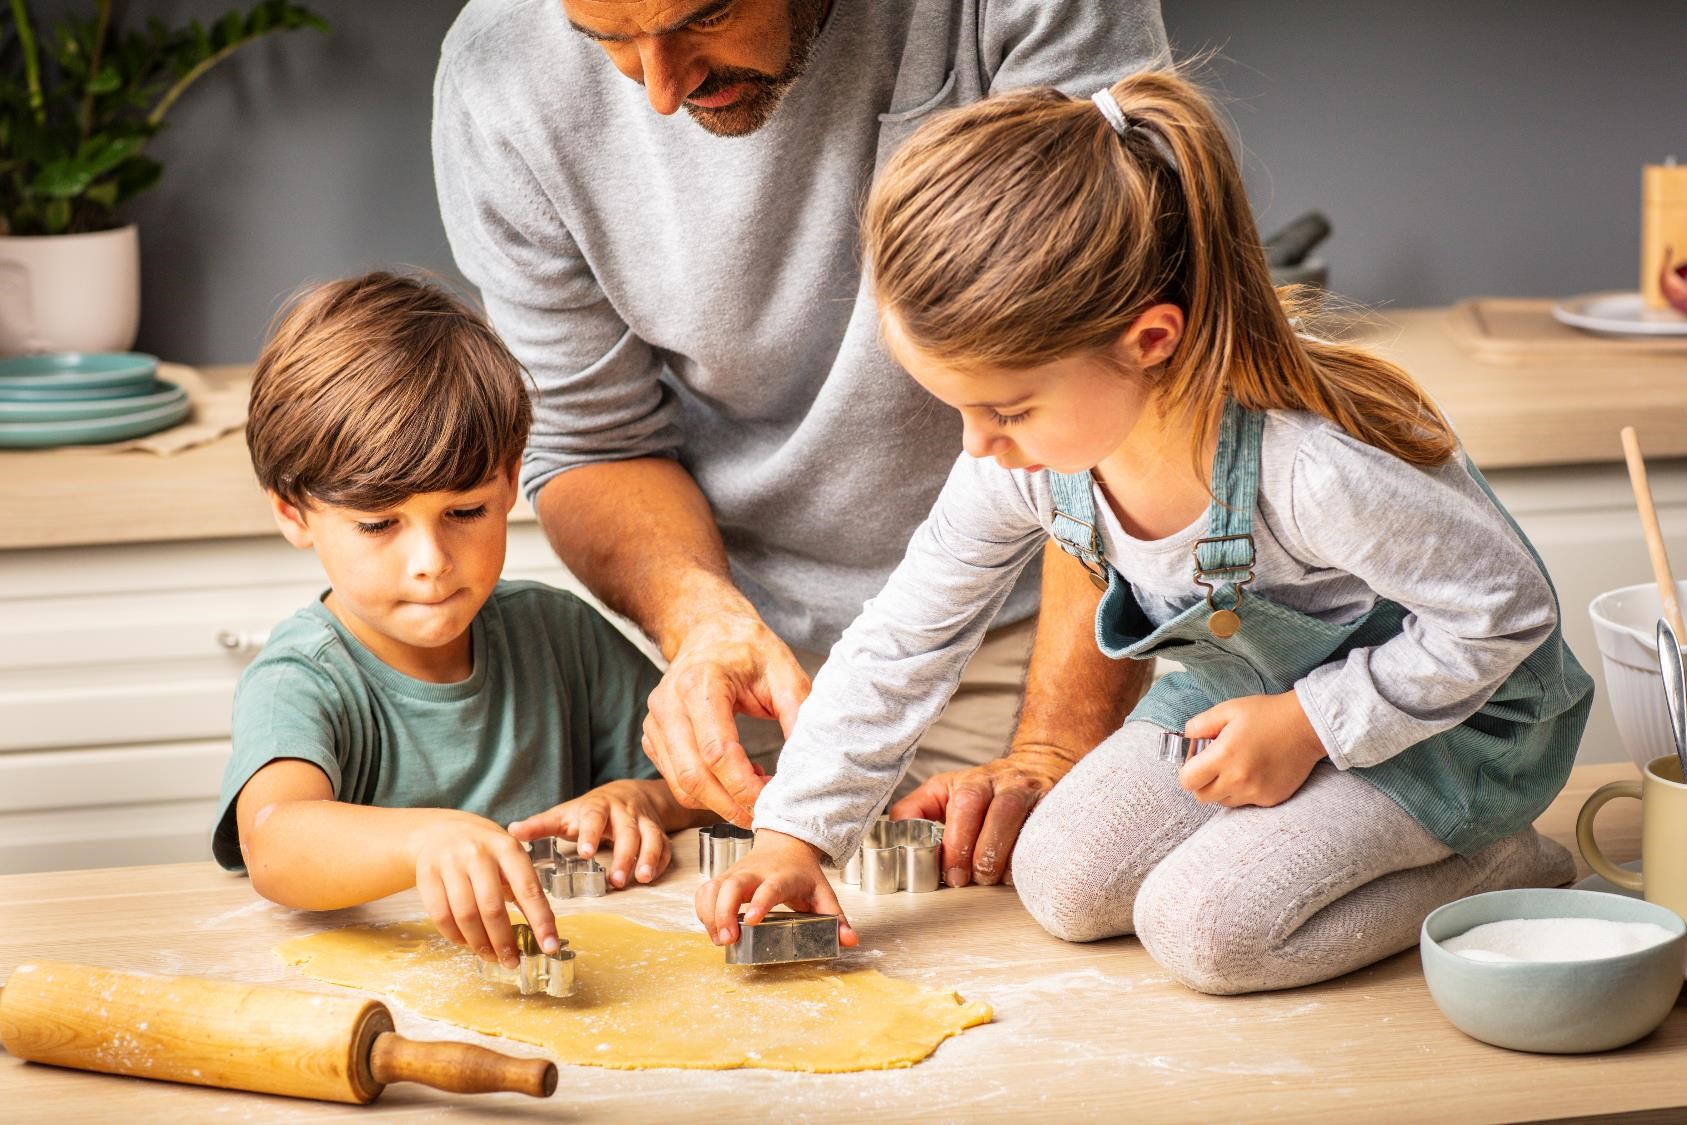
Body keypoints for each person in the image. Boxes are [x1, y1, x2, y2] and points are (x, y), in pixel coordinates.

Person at [697, 70, 1594, 993]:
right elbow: (903, 637)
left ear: (1149, 340)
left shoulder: (1310, 469)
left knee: (1205, 933)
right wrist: (794, 833)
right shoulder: (1038, 465)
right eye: (957, 409)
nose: (978, 445)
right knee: (1059, 881)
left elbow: (1504, 614)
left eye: (1005, 408)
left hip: (1443, 728)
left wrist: (1308, 724)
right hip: (1245, 700)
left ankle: (1495, 861)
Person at [431, 0, 1171, 886]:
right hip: (759, 670)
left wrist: (1053, 746)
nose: (661, 91)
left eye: (704, 15)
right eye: (611, 41)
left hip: (1054, 632)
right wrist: (701, 621)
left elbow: (1115, 376)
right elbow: (591, 439)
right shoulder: (499, 71)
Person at [211, 272, 710, 973]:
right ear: (294, 514)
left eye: (465, 511)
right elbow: (276, 844)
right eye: (379, 523)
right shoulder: (302, 678)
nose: (431, 562)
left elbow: (703, 785)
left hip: (567, 987)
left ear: (509, 481)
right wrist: (428, 842)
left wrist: (638, 800)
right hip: (375, 996)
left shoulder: (559, 634)